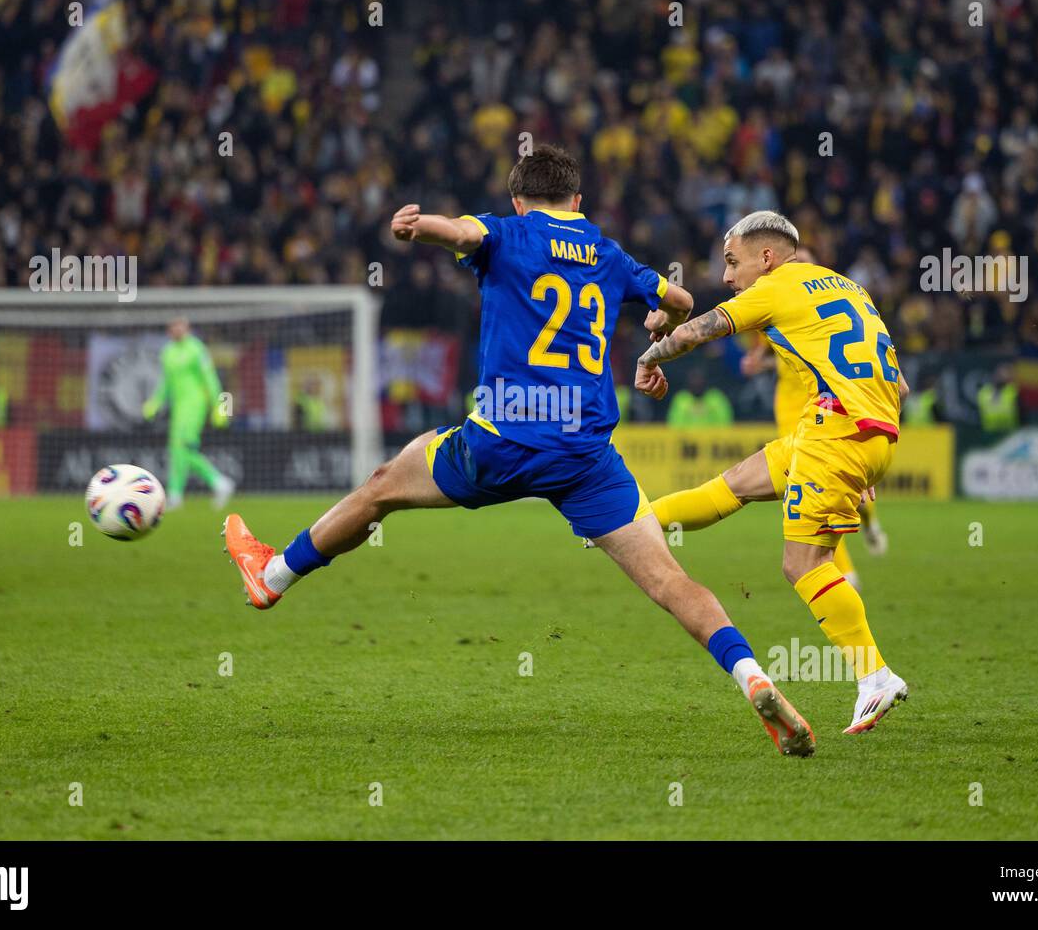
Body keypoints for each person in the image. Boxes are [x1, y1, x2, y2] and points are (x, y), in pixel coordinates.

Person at [222, 146, 815, 757]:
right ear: (578, 202)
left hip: (502, 440)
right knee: (670, 581)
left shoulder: (506, 232)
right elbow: (683, 302)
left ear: (517, 199)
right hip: (586, 454)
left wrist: (419, 227)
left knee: (380, 488)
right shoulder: (608, 254)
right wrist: (656, 333)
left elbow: (462, 232)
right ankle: (754, 678)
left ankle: (271, 576)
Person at [635, 211, 909, 735]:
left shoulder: (776, 285)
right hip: (856, 431)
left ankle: (875, 676)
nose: (727, 278)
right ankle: (633, 525)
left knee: (802, 565)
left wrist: (649, 359)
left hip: (835, 434)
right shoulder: (849, 288)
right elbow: (899, 388)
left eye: (733, 262)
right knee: (735, 483)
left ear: (767, 257)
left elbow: (696, 330)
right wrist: (867, 450)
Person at [740, 244, 889, 587]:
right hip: (791, 408)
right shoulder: (781, 304)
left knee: (845, 491)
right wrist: (757, 363)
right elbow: (772, 354)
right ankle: (844, 571)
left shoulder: (820, 310)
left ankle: (868, 526)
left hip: (829, 406)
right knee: (812, 490)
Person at [142, 317, 236, 510]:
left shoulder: (196, 349)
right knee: (177, 450)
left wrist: (219, 406)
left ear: (187, 328)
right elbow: (166, 383)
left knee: (183, 446)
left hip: (195, 404)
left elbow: (210, 378)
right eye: (173, 326)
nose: (176, 329)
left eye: (180, 325)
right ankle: (177, 494)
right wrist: (155, 402)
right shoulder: (167, 352)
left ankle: (217, 482)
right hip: (178, 407)